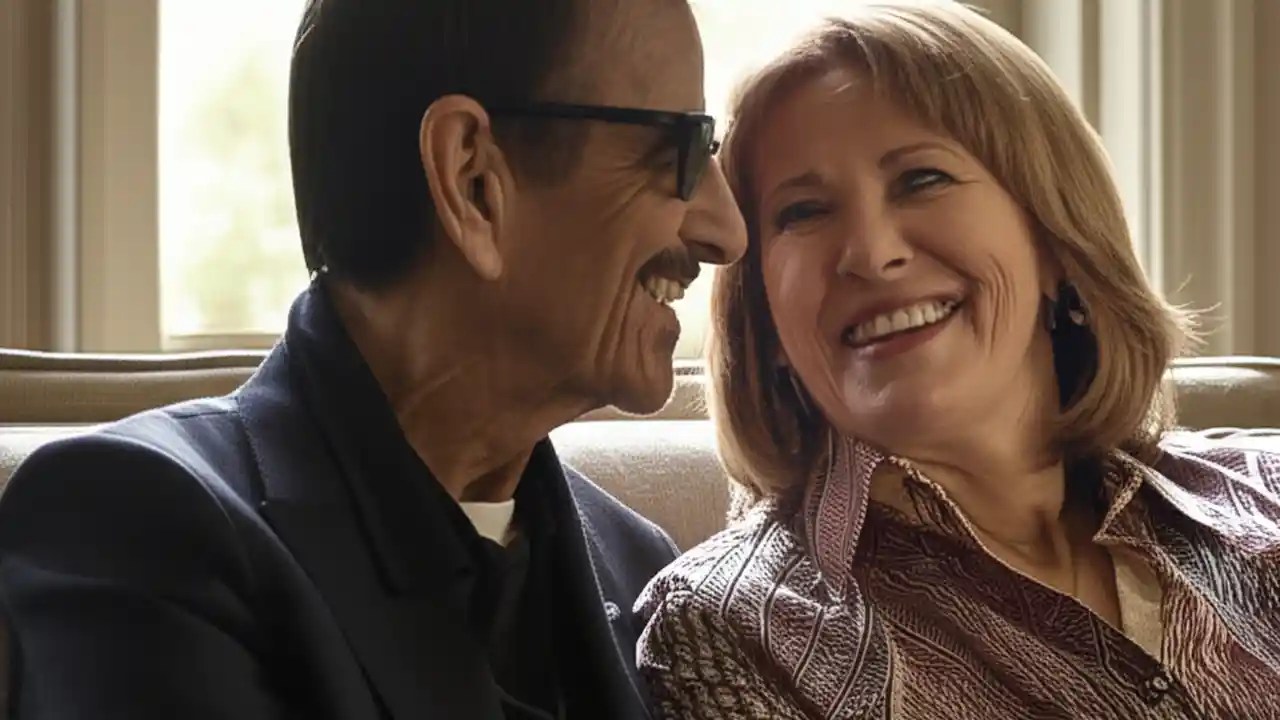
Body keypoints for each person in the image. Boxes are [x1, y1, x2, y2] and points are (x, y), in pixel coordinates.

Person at [0, 0, 746, 717]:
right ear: (472, 182)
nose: (727, 231)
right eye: (678, 152)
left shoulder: (640, 567)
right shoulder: (138, 531)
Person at [635, 2, 1280, 718]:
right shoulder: (731, 629)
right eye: (804, 212)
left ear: (1056, 240)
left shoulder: (1267, 495)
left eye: (921, 180)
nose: (872, 253)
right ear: (765, 317)